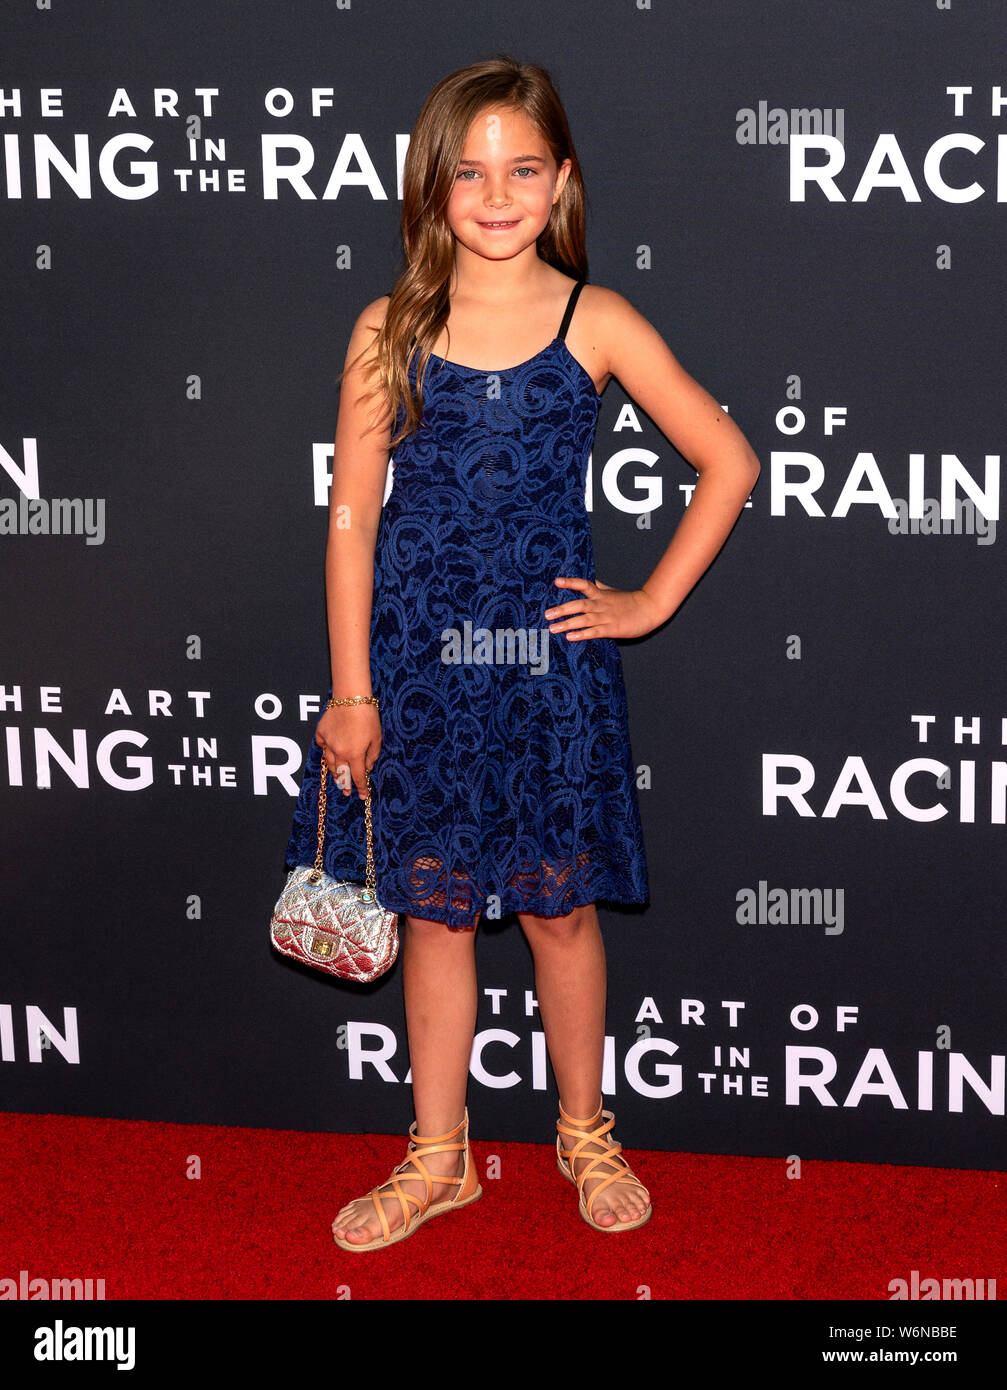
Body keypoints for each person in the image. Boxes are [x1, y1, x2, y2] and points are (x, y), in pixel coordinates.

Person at [284, 56, 761, 1251]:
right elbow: (350, 520)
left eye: (524, 169)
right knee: (435, 919)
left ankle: (586, 1133)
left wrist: (647, 600)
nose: (497, 195)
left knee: (559, 917)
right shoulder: (387, 327)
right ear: (432, 187)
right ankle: (438, 1156)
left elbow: (731, 460)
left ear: (562, 182)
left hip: (550, 676)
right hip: (419, 673)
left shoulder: (592, 318)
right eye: (469, 172)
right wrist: (351, 690)